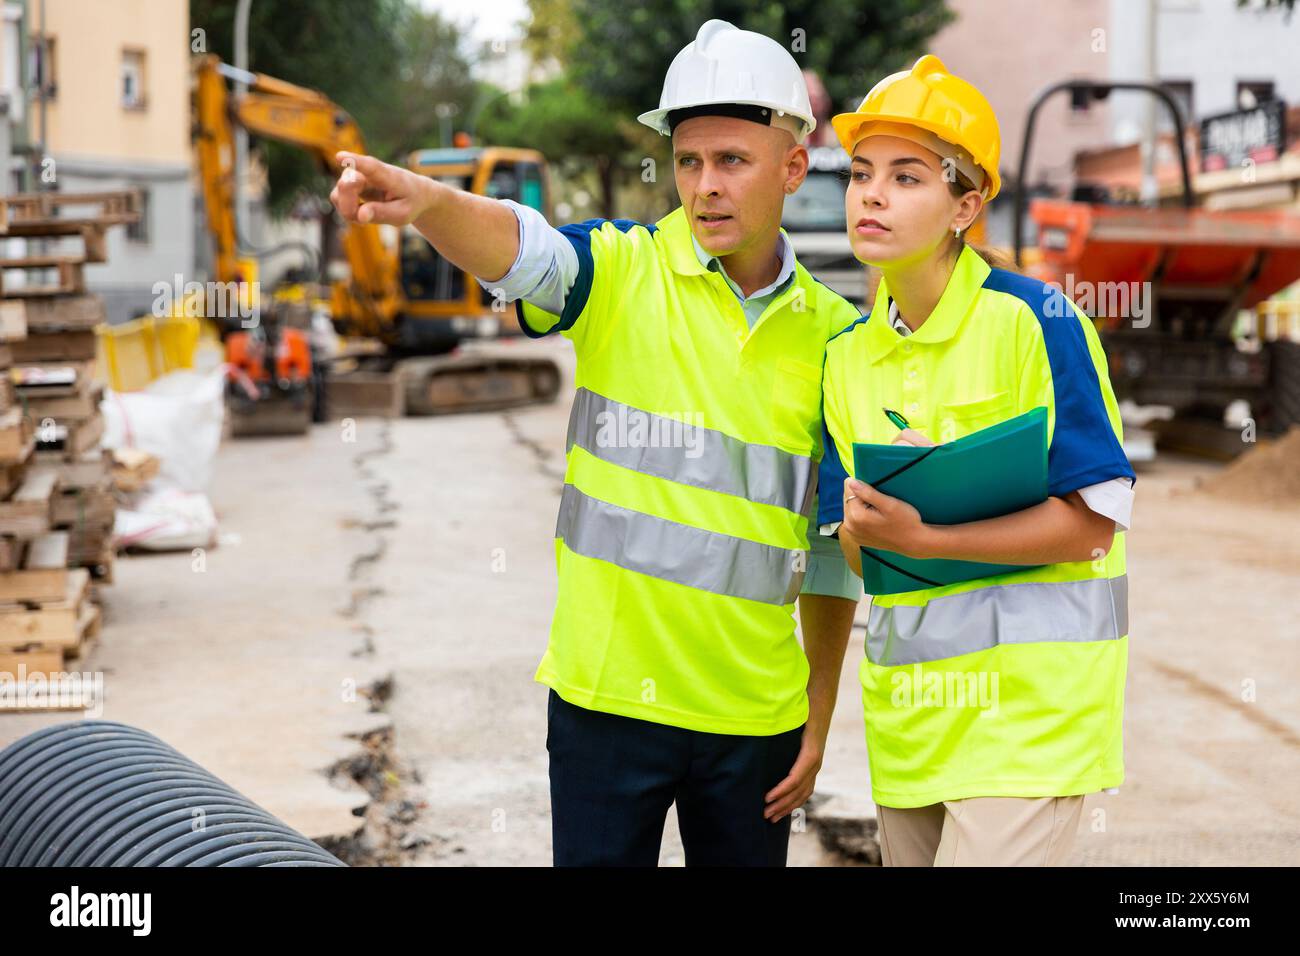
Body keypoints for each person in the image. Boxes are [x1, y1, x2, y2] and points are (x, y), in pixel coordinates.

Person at [329, 20, 862, 866]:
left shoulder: (841, 339)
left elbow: (830, 555)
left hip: (757, 722)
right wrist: (433, 204)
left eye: (732, 160)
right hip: (606, 707)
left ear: (792, 166)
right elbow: (525, 253)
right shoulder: (622, 271)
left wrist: (819, 715)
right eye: (689, 161)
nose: (705, 186)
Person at [817, 55, 1136, 866]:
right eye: (860, 174)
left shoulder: (1038, 322)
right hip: (909, 726)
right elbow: (852, 553)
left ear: (966, 204)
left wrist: (929, 535)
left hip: (1030, 720)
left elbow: (1093, 526)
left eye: (906, 176)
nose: (872, 195)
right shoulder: (843, 360)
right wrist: (869, 527)